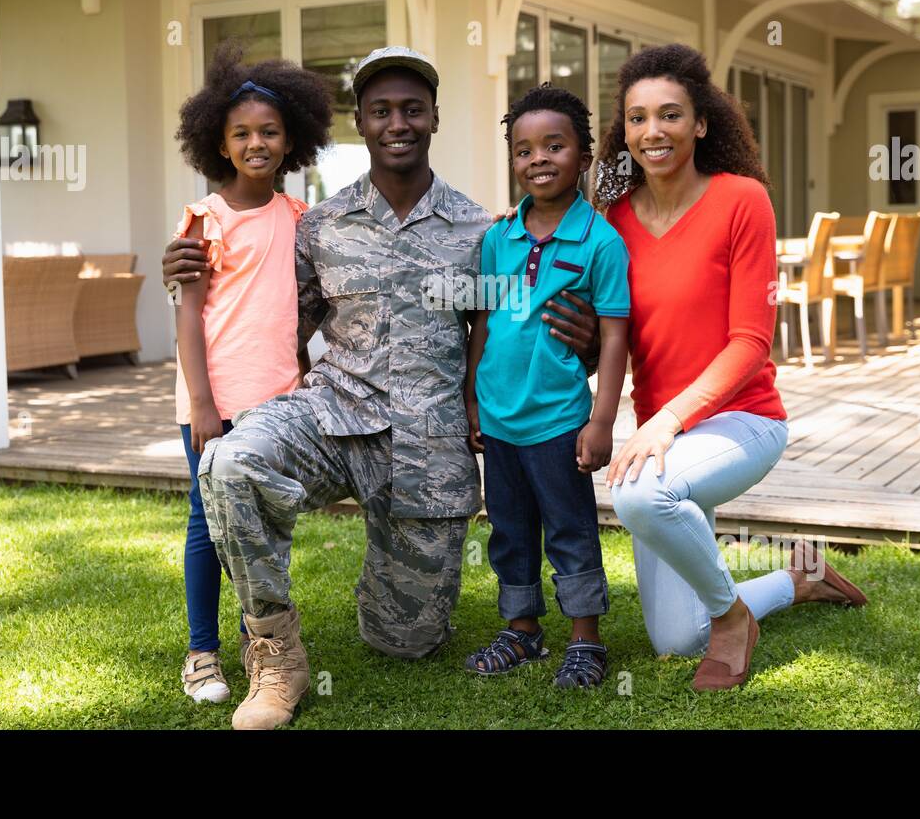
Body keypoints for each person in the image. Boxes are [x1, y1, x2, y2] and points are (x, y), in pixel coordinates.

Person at [161, 48, 605, 729]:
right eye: (380, 111)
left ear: (433, 119)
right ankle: (275, 652)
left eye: (411, 109)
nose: (396, 122)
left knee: (402, 640)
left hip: (429, 451)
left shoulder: (479, 230)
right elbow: (271, 313)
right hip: (336, 418)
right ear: (359, 124)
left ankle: (388, 573)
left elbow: (513, 327)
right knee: (233, 462)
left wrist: (591, 342)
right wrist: (189, 277)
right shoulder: (320, 224)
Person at [595, 44, 868, 691]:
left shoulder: (741, 200)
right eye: (636, 119)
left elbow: (750, 342)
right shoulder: (614, 222)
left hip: (741, 423)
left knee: (637, 493)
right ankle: (796, 579)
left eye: (669, 115)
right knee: (675, 638)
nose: (652, 131)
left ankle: (731, 620)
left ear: (701, 123)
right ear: (623, 130)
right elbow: (608, 330)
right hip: (668, 434)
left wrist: (664, 421)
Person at [171, 44, 332, 705]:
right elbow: (188, 316)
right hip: (215, 403)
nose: (257, 143)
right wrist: (204, 402)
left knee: (261, 526)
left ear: (290, 138)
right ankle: (202, 652)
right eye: (242, 134)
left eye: (269, 131)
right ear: (220, 142)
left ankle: (262, 639)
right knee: (206, 525)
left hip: (277, 406)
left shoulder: (298, 219)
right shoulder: (204, 221)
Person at [463, 84, 630, 688]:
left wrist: (603, 419)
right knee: (509, 529)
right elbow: (483, 320)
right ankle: (523, 630)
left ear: (584, 156)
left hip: (559, 419)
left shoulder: (602, 243)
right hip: (500, 421)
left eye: (554, 146)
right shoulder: (497, 239)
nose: (538, 159)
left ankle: (586, 639)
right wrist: (472, 398)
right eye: (523, 149)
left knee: (569, 527)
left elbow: (613, 338)